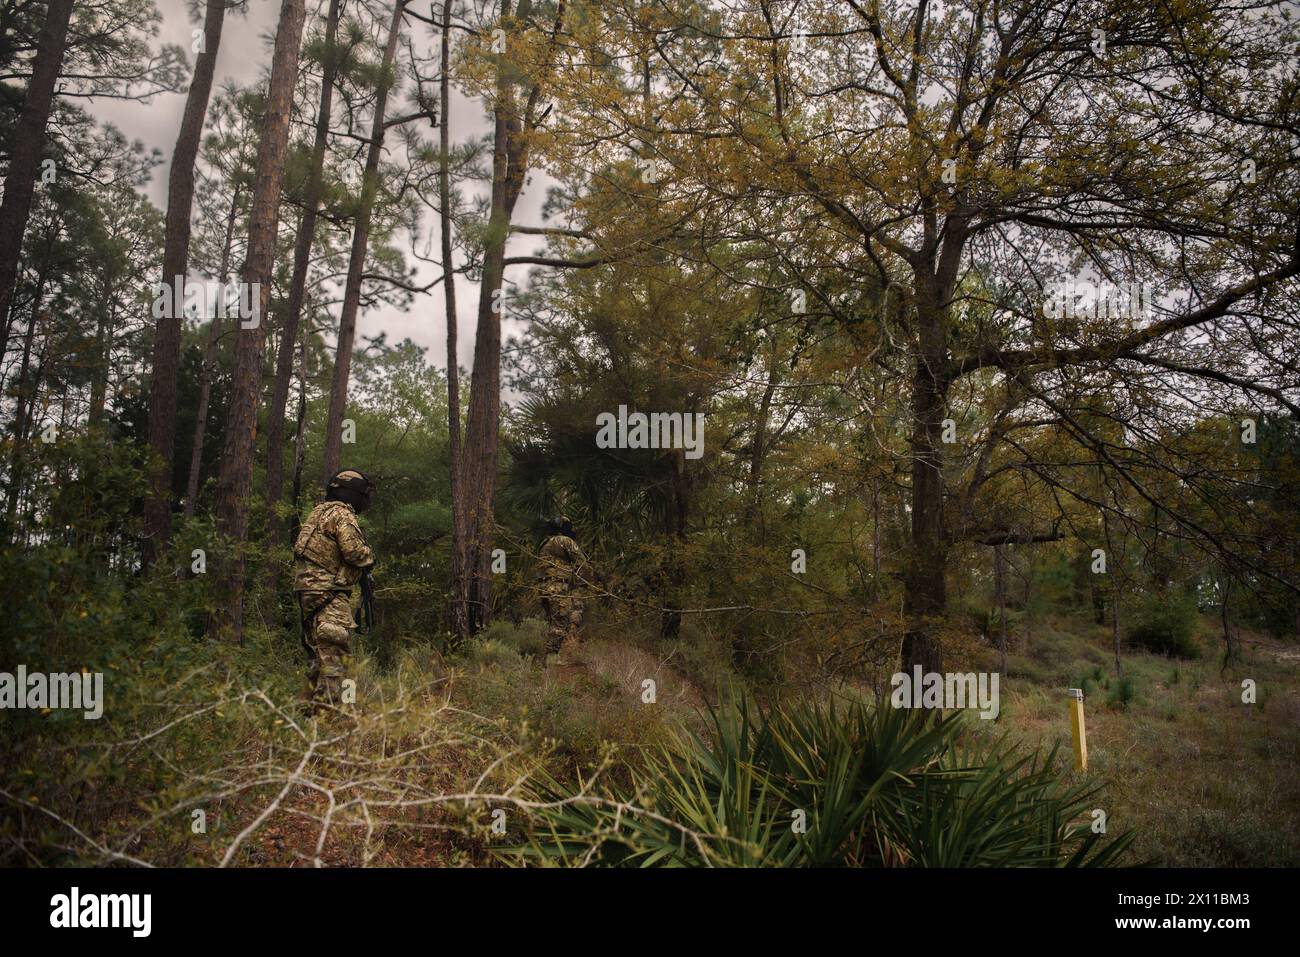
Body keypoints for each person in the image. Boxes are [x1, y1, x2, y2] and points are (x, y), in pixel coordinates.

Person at [293, 469, 376, 708]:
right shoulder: (341, 513)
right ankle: (328, 719)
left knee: (320, 657)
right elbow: (354, 552)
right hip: (328, 593)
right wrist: (370, 557)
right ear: (353, 494)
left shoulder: (318, 512)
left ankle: (304, 719)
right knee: (336, 658)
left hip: (310, 594)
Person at [536, 515, 591, 659]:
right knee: (560, 625)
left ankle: (550, 657)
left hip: (544, 588)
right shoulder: (565, 541)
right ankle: (548, 659)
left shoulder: (545, 543)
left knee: (554, 622)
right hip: (558, 588)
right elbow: (582, 563)